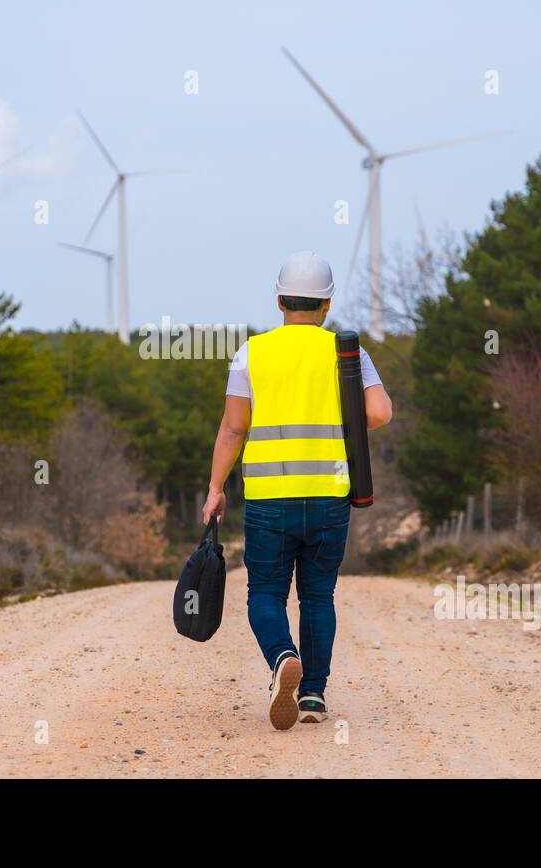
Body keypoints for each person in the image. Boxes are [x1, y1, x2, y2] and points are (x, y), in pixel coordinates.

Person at [202, 252, 392, 730]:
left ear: (279, 300)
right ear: (327, 306)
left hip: (269, 500)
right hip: (330, 497)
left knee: (265, 593)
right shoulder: (347, 353)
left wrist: (215, 488)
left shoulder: (252, 353)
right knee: (318, 596)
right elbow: (380, 414)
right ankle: (312, 696)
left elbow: (232, 428)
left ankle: (284, 656)